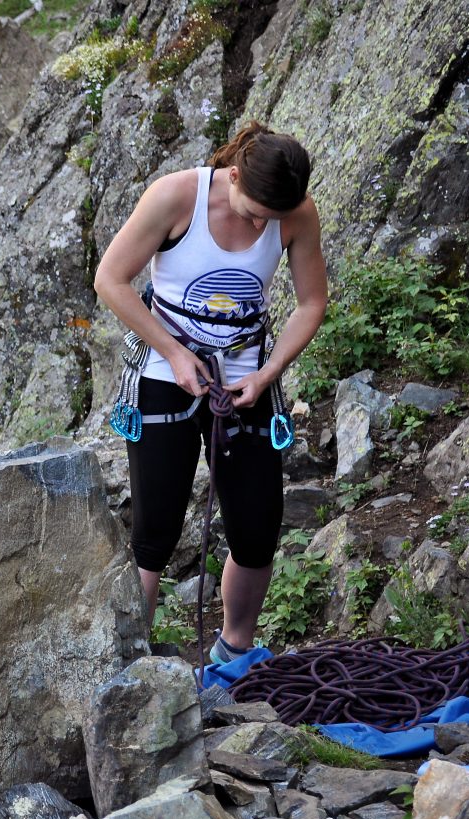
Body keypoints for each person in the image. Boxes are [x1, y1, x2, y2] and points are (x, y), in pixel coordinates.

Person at [93, 121, 327, 665]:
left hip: (245, 377)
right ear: (235, 174)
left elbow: (311, 302)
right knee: (156, 527)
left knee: (256, 523)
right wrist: (175, 354)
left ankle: (234, 650)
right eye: (253, 211)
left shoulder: (295, 213)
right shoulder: (177, 196)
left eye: (272, 218)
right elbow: (112, 279)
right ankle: (133, 665)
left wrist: (267, 373)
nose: (262, 222)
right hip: (162, 369)